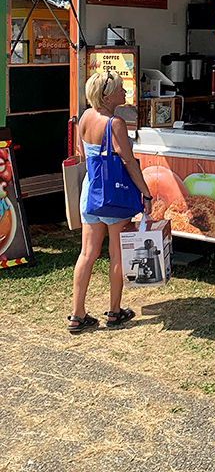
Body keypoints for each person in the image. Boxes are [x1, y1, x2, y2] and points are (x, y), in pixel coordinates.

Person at [68, 70, 153, 334]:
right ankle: (115, 312)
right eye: (120, 89)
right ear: (106, 97)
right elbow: (128, 162)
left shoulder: (85, 116)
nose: (125, 92)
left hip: (91, 192)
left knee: (87, 254)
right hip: (114, 196)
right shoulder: (114, 123)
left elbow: (84, 153)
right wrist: (146, 193)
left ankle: (77, 314)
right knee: (116, 253)